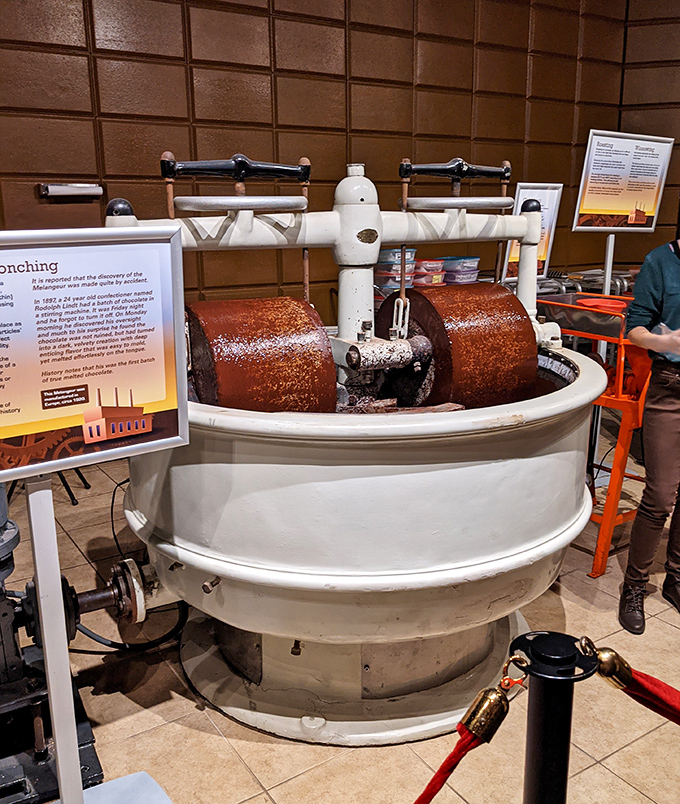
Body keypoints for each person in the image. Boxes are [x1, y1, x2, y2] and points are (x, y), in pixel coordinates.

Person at [619, 239, 680, 634]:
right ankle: (634, 587)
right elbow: (635, 327)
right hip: (670, 386)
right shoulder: (660, 261)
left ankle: (676, 578)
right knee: (660, 494)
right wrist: (666, 342)